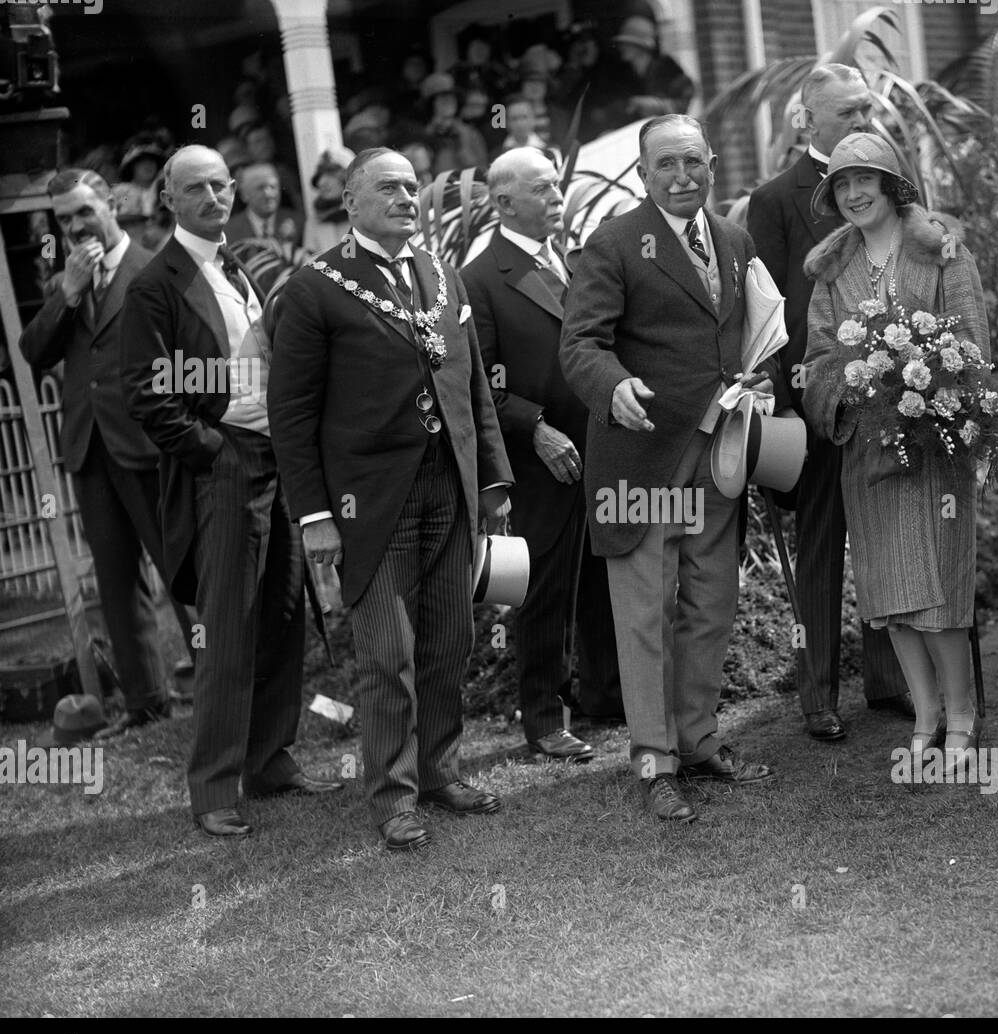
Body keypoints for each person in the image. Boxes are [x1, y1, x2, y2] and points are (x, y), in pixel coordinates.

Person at [268, 148, 514, 852]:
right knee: (387, 653)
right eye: (388, 188)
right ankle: (392, 796)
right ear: (350, 203)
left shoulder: (440, 272)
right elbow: (291, 412)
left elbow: (472, 388)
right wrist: (314, 516)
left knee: (450, 638)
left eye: (412, 187)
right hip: (368, 503)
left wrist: (492, 475)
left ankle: (438, 772)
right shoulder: (314, 287)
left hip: (449, 488)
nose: (407, 197)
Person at [560, 115, 776, 822]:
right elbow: (580, 344)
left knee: (710, 604)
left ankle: (699, 739)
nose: (683, 177)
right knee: (646, 612)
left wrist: (758, 379)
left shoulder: (737, 241)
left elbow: (740, 337)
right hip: (642, 462)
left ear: (712, 162)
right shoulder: (616, 243)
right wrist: (611, 385)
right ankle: (655, 760)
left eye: (694, 162)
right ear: (641, 175)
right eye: (666, 166)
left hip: (718, 461)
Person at [120, 145, 339, 838]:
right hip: (227, 464)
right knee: (227, 626)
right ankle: (214, 786)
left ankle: (270, 760)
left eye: (221, 185)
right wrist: (213, 450)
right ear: (170, 201)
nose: (215, 197)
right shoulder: (157, 284)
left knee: (283, 614)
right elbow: (149, 396)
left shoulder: (236, 263)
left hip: (278, 460)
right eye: (197, 189)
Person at [803, 134, 988, 773]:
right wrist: (857, 379)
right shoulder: (830, 270)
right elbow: (817, 359)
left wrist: (926, 376)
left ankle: (962, 716)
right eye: (842, 185)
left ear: (892, 185)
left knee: (939, 596)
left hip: (934, 449)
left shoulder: (942, 251)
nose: (854, 194)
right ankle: (925, 715)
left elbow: (971, 344)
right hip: (869, 452)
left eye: (866, 181)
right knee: (892, 596)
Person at [747, 63, 910, 744]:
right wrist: (793, 404)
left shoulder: (889, 181)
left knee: (882, 542)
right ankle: (817, 691)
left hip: (890, 399)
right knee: (820, 550)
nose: (861, 121)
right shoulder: (776, 198)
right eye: (846, 112)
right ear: (807, 122)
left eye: (866, 109)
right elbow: (769, 308)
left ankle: (889, 680)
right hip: (815, 410)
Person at [462, 147, 623, 761]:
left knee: (606, 575)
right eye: (543, 188)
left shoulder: (580, 261)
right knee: (544, 587)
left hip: (603, 446)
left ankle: (606, 695)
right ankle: (544, 717)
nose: (558, 196)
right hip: (540, 460)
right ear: (503, 203)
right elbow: (480, 383)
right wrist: (535, 428)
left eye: (558, 186)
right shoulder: (480, 280)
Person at [19, 169, 182, 738]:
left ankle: (221, 687)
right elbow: (32, 352)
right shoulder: (65, 281)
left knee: (180, 570)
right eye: (63, 219)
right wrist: (66, 294)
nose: (74, 226)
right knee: (115, 581)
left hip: (149, 445)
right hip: (89, 448)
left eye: (83, 212)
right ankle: (146, 702)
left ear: (110, 203)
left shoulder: (156, 268)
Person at [610, 15, 695, 121]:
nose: (622, 48)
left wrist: (655, 104)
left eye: (628, 43)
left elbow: (683, 101)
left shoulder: (666, 68)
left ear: (641, 46)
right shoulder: (624, 72)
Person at [224, 162, 303, 247]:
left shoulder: (299, 222)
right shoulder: (229, 230)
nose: (268, 194)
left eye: (273, 187)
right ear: (245, 195)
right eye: (260, 188)